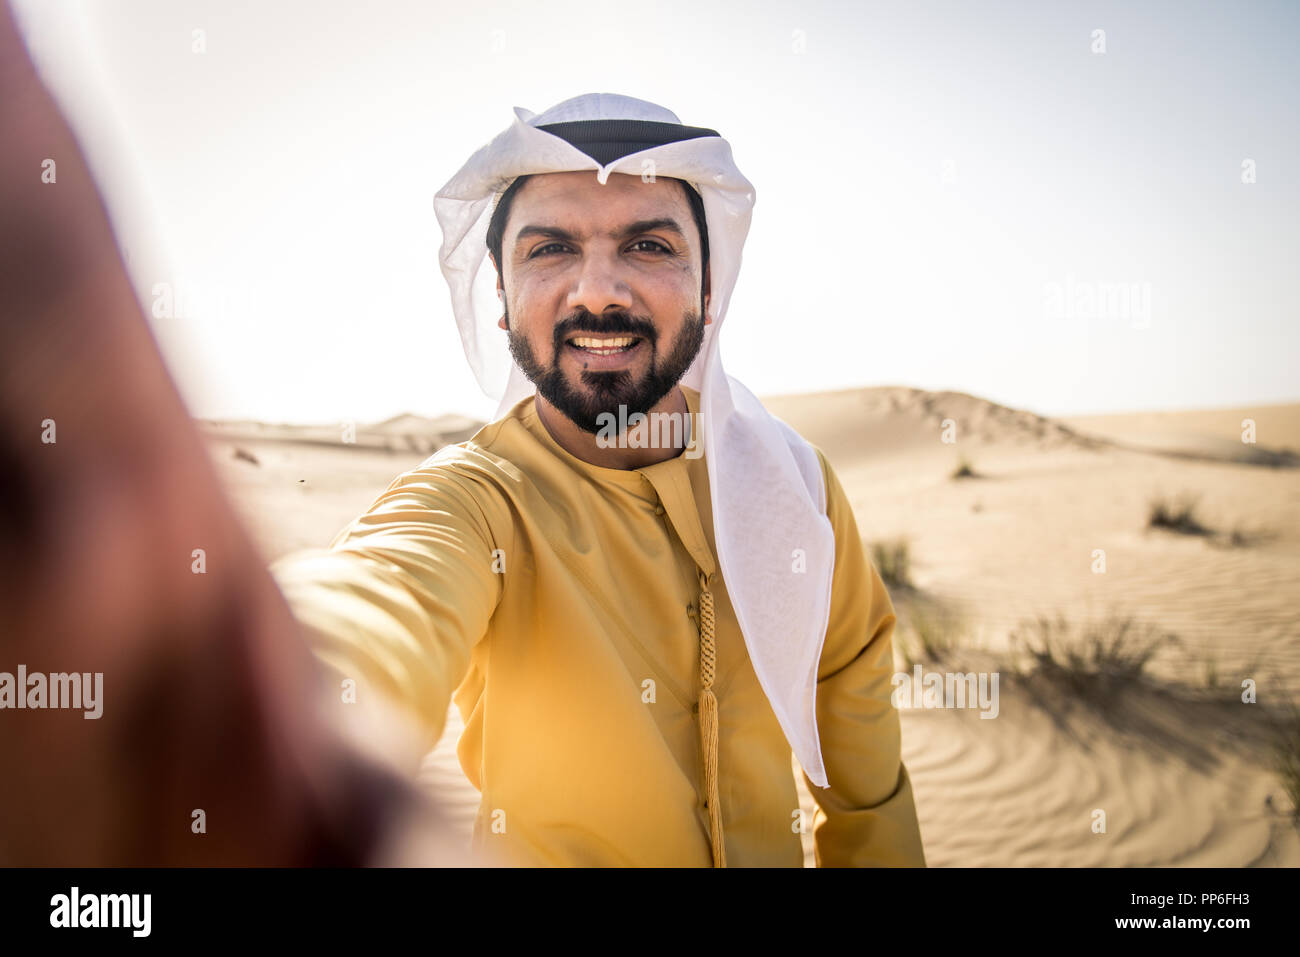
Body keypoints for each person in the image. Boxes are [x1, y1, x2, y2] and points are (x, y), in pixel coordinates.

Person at [270, 93, 927, 867]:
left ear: (709, 287)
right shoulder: (477, 504)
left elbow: (866, 782)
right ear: (502, 298)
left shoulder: (796, 490)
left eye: (648, 245)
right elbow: (372, 605)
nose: (598, 292)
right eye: (549, 249)